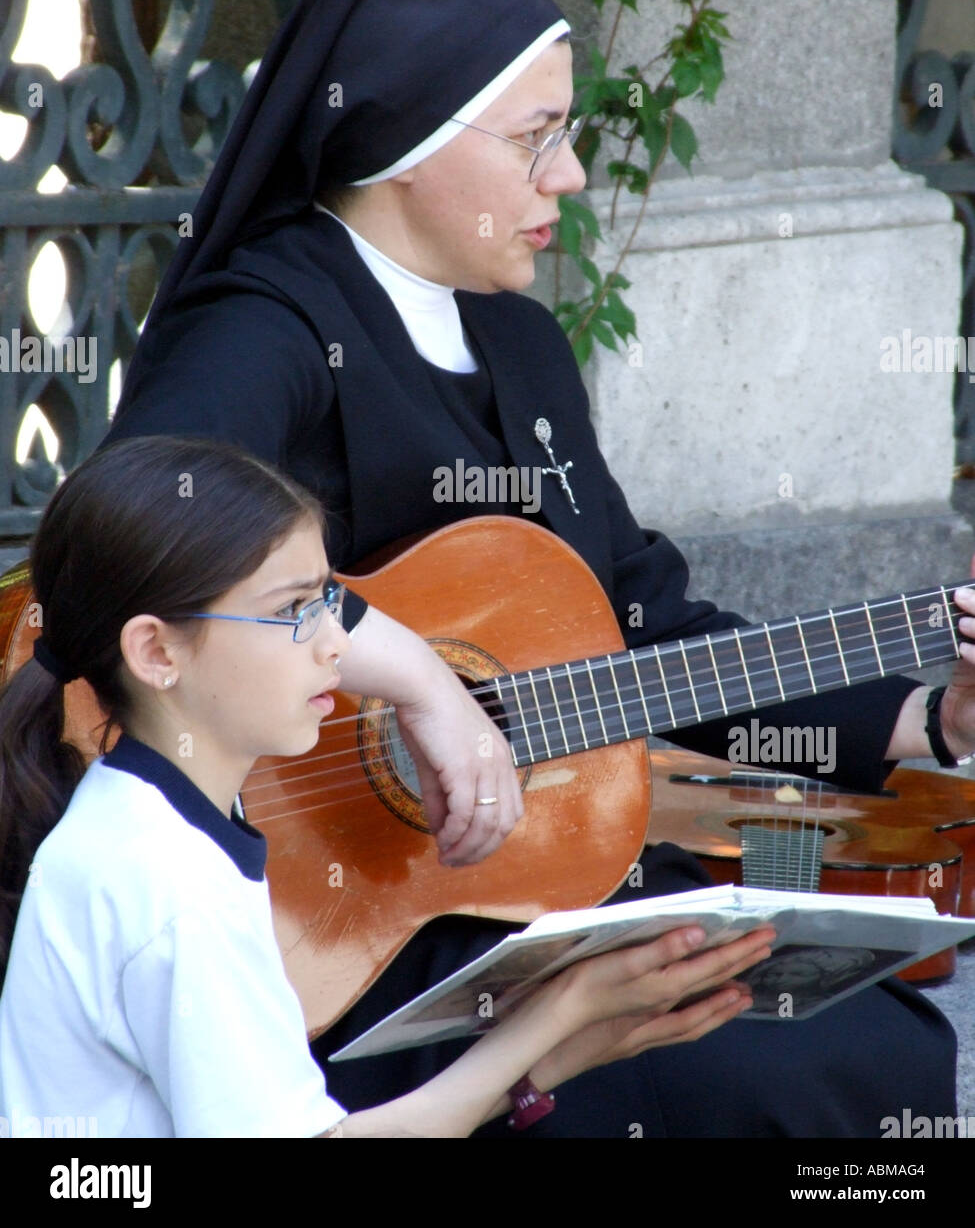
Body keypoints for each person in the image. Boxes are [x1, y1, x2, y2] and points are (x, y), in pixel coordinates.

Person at [103, 0, 975, 1137]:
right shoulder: (270, 327)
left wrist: (930, 713)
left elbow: (644, 630)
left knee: (872, 1049)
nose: (569, 176)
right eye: (535, 139)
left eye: (568, 135)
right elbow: (142, 532)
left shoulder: (522, 343)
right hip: (323, 926)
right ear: (405, 147)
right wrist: (416, 678)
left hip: (519, 889)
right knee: (746, 1090)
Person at [0, 435, 776, 1138]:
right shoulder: (169, 885)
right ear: (155, 651)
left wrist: (552, 1056)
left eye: (328, 601)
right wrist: (559, 1014)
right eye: (293, 612)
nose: (336, 645)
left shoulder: (159, 819)